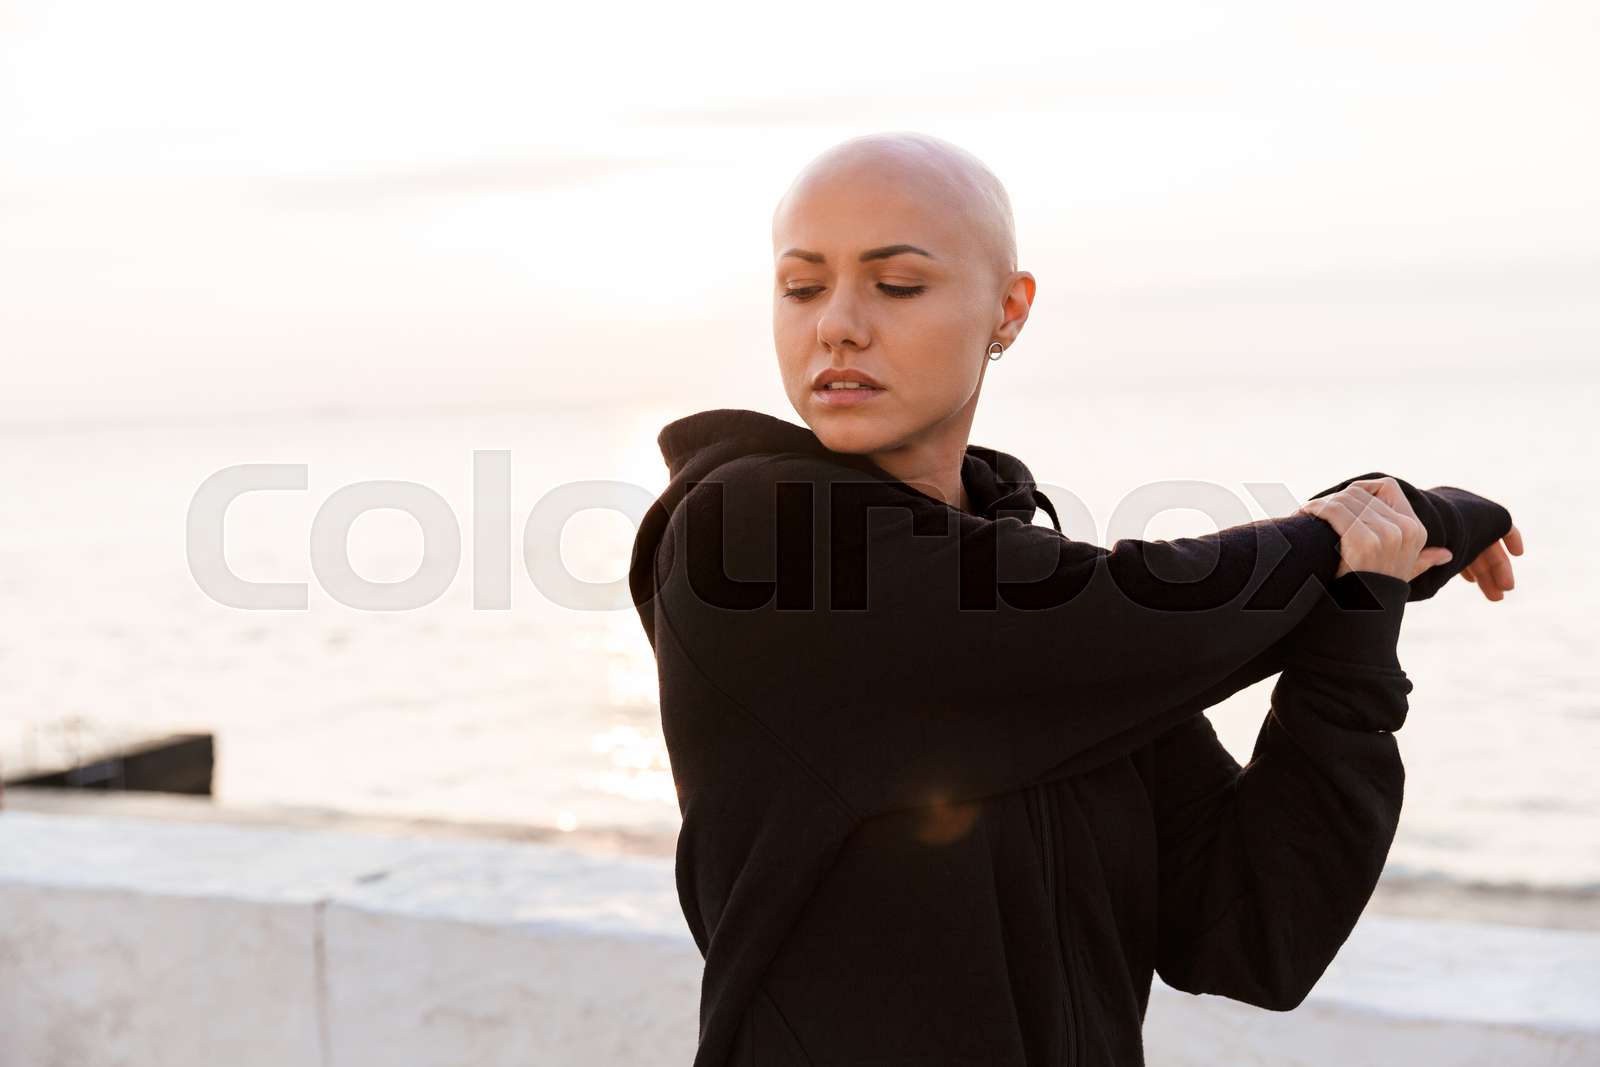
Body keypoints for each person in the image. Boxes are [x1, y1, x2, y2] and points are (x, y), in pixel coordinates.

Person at [627, 132, 1523, 1067]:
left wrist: (1358, 617)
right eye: (803, 286)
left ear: (1008, 311)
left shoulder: (1056, 615)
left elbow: (1255, 932)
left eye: (896, 285)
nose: (838, 325)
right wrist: (1389, 524)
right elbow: (1138, 610)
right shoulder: (748, 535)